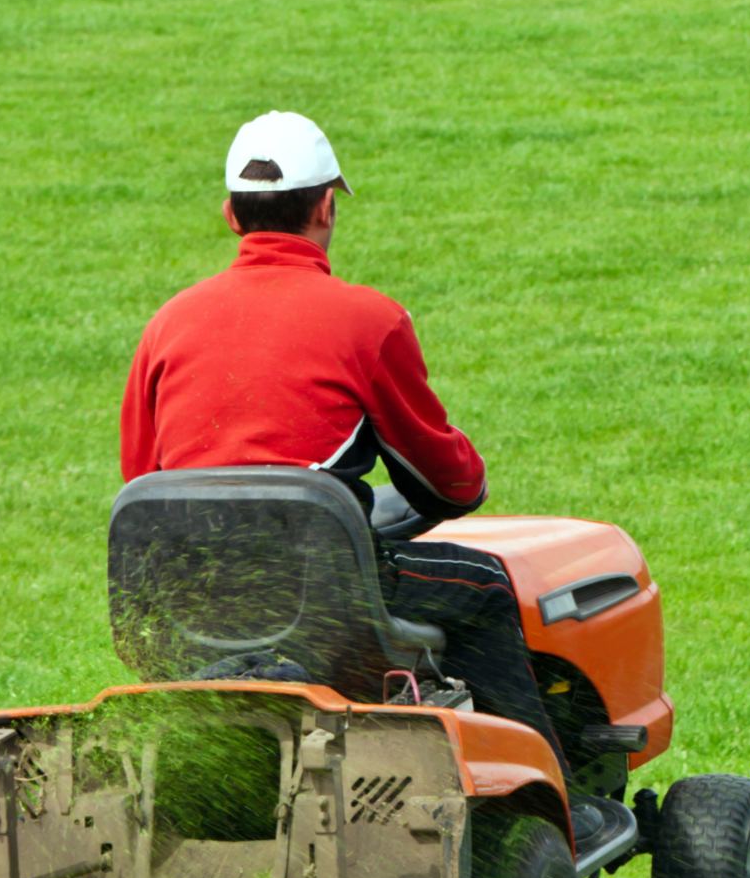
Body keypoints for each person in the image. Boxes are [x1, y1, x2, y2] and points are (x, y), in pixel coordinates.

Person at [118, 110, 565, 765]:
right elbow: (450, 482)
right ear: (326, 207)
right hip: (323, 600)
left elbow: (143, 483)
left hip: (199, 606)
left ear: (231, 215)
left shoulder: (167, 325)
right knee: (486, 586)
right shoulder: (367, 321)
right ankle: (552, 796)